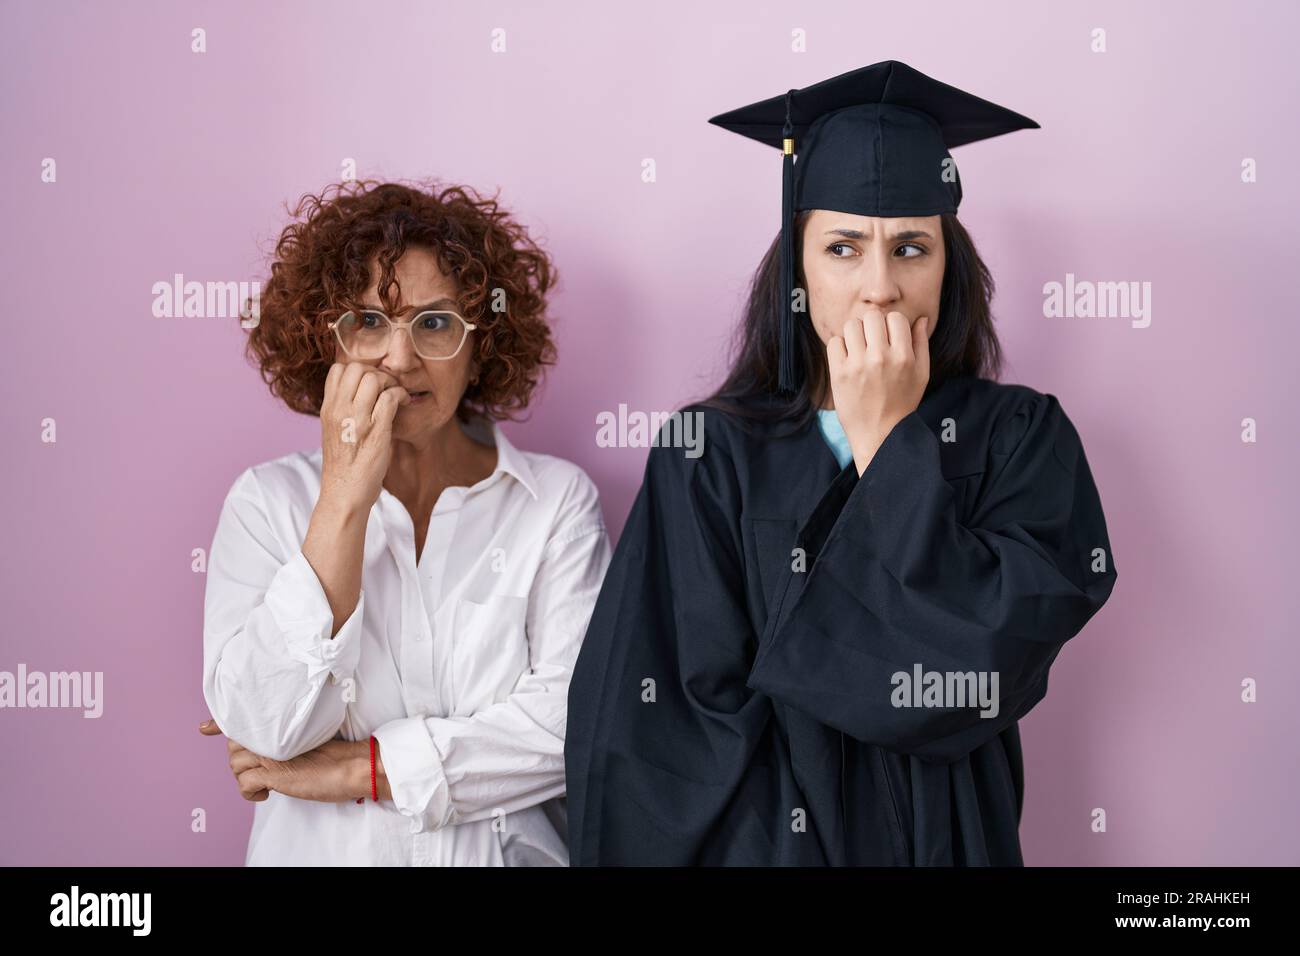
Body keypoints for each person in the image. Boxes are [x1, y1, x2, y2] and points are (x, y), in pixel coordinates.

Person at [564, 61, 1118, 865]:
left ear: (949, 265)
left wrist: (891, 438)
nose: (881, 287)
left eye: (912, 247)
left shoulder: (1020, 439)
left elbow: (983, 669)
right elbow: (657, 733)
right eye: (844, 247)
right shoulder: (710, 455)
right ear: (796, 267)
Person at [199, 180, 611, 866]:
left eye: (436, 322)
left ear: (481, 344)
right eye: (367, 322)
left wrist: (359, 769)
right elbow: (266, 724)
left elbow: (574, 730)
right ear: (324, 344)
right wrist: (342, 497)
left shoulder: (555, 504)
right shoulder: (266, 503)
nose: (399, 357)